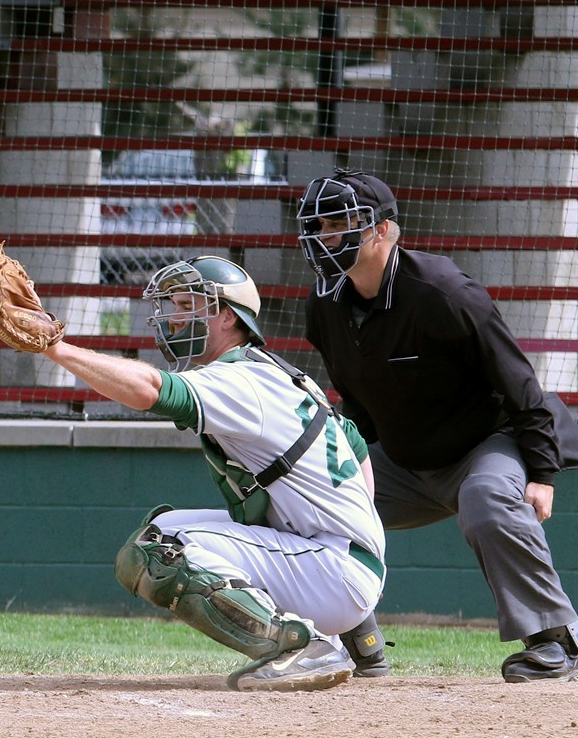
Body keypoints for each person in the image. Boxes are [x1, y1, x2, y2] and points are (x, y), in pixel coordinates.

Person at [41, 255, 386, 690]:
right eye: (174, 306)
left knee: (160, 547)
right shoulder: (279, 373)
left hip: (331, 568)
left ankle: (300, 647)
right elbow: (355, 448)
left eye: (188, 306)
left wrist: (56, 349)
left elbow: (150, 390)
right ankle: (344, 632)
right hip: (333, 563)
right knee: (161, 529)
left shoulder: (241, 380)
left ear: (226, 316)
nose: (173, 318)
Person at [299, 169, 578, 682]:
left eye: (340, 224)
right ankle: (355, 642)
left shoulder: (444, 291)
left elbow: (520, 382)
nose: (325, 237)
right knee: (309, 500)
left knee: (486, 499)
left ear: (383, 230)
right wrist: (353, 469)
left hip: (487, 442)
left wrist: (542, 472)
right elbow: (357, 400)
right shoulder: (323, 306)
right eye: (319, 226)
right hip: (405, 459)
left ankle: (555, 642)